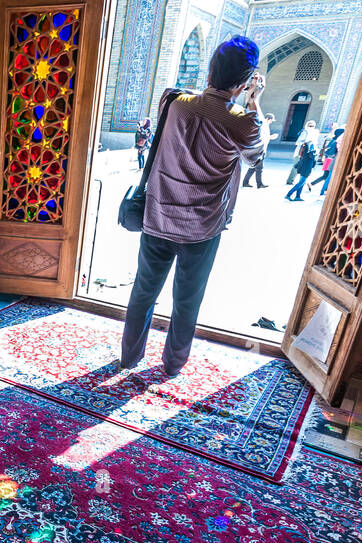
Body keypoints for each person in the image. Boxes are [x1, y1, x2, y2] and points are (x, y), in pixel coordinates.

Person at [120, 36, 265, 377]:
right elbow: (256, 157)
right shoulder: (243, 121)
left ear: (211, 68)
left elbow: (192, 103)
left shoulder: (174, 102)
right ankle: (173, 364)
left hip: (157, 218)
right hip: (201, 228)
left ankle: (128, 357)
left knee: (143, 291)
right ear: (245, 81)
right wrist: (253, 101)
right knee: (187, 301)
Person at [242, 111, 277, 188]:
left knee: (253, 167)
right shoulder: (264, 125)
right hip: (260, 150)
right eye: (271, 120)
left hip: (261, 149)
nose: (272, 122)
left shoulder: (265, 125)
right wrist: (271, 137)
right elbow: (261, 137)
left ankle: (245, 182)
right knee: (259, 168)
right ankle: (259, 184)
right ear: (268, 119)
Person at [309, 125, 344, 196]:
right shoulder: (336, 142)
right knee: (326, 176)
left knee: (326, 176)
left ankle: (315, 185)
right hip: (330, 160)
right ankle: (320, 188)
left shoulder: (333, 140)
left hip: (327, 160)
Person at [287, 120, 320, 185]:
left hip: (309, 154)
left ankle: (301, 182)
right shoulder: (304, 132)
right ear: (307, 125)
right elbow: (297, 142)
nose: (311, 127)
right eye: (310, 125)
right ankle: (290, 180)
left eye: (312, 126)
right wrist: (306, 143)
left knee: (306, 168)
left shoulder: (316, 132)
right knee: (296, 166)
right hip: (300, 152)